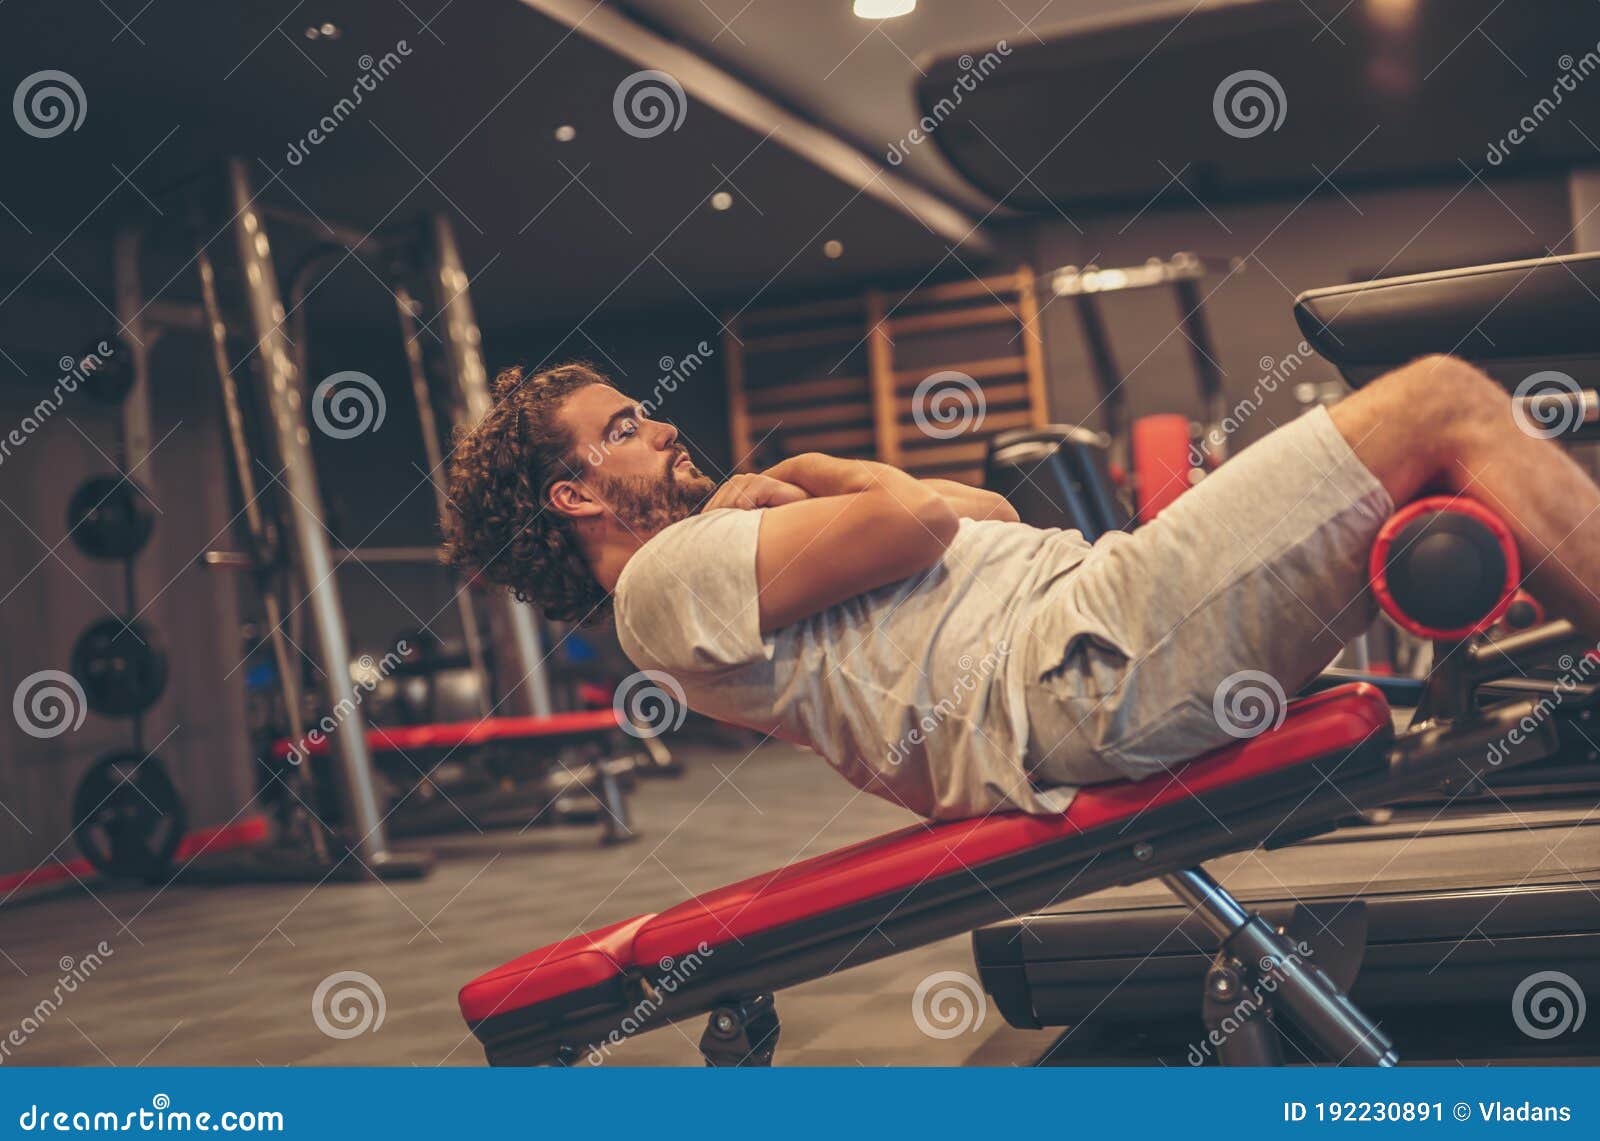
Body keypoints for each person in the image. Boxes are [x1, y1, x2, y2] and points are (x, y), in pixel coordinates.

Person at [441, 357, 1600, 820]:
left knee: (1432, 420)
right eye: (624, 428)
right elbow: (911, 519)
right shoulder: (663, 579)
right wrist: (812, 475)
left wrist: (810, 485)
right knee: (1438, 396)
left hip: (1085, 624)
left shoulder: (702, 557)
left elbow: (980, 517)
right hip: (1080, 663)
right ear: (574, 496)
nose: (661, 426)